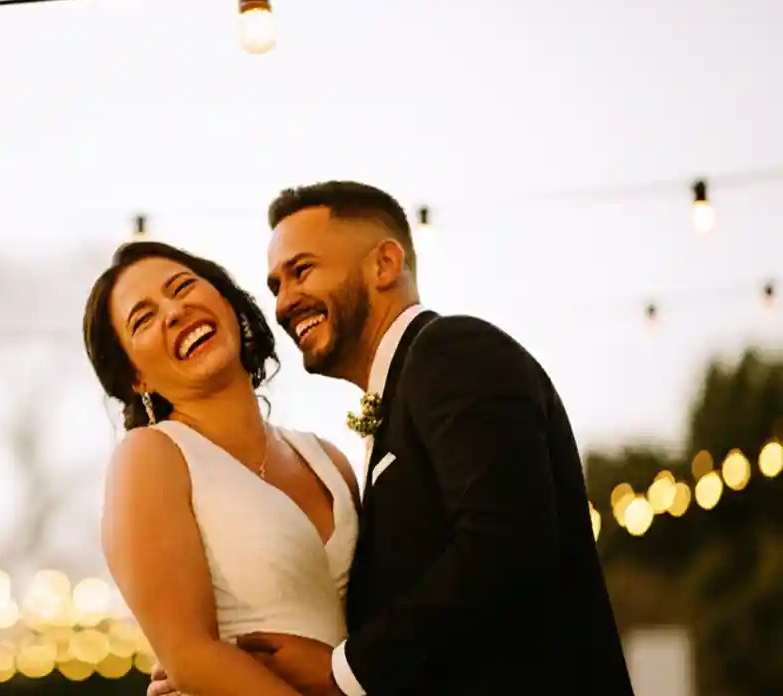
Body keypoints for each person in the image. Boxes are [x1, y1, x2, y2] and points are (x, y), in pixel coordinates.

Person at [151, 181, 634, 695]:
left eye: (303, 270)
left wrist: (343, 672)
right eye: (275, 286)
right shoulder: (401, 396)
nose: (286, 301)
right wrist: (224, 673)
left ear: (384, 264)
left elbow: (505, 544)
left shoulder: (453, 351)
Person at [83, 240, 360, 695]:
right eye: (144, 318)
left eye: (183, 287)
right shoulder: (153, 456)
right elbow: (191, 655)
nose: (174, 312)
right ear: (136, 378)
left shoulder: (327, 460)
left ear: (227, 303)